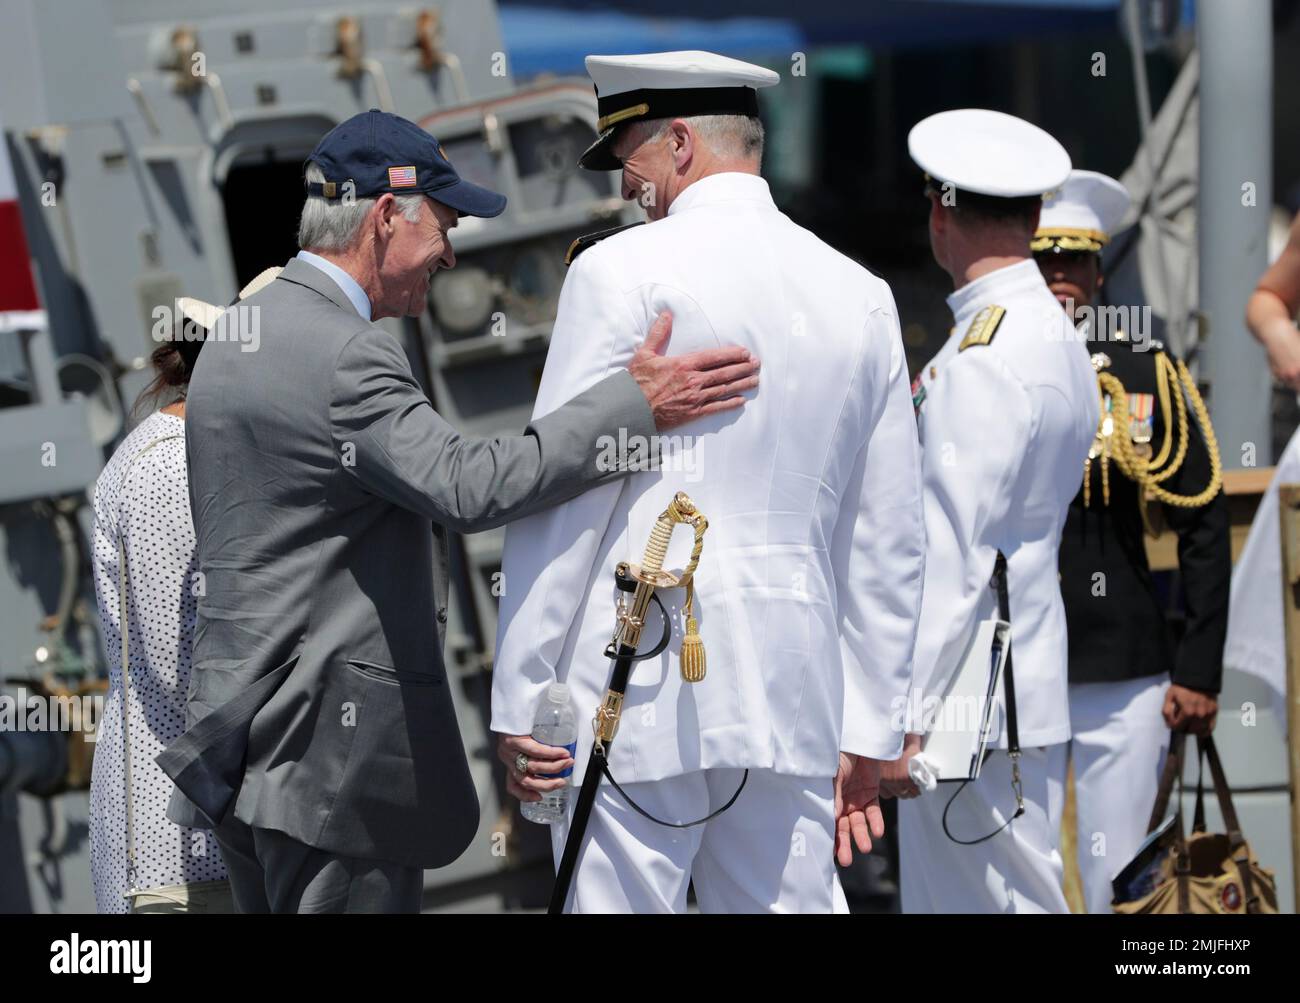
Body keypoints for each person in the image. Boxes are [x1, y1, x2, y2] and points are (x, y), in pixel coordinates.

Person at [155, 109, 760, 914]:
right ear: (382, 218)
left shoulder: (238, 335)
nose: (448, 250)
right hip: (331, 766)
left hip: (244, 747)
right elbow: (472, 485)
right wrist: (635, 403)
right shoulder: (348, 351)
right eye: (440, 224)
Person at [490, 50, 925, 914]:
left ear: (681, 143)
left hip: (636, 677)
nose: (627, 189)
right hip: (792, 693)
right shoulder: (862, 292)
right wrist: (872, 724)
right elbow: (887, 536)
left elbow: (566, 493)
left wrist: (523, 689)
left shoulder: (616, 272)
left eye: (633, 159)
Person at [884, 109, 1098, 914]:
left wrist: (903, 715)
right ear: (1038, 219)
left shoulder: (983, 357)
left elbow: (951, 554)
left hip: (969, 700)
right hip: (1019, 681)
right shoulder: (1054, 334)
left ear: (940, 215)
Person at [1034, 170, 1229, 914]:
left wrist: (1199, 669)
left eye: (1073, 261)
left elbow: (1204, 520)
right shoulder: (980, 361)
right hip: (1020, 664)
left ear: (1098, 269)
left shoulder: (1144, 368)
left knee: (1126, 878)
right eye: (1044, 259)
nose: (1060, 277)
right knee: (1027, 872)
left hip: (1126, 665)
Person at [87, 273, 273, 913]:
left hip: (198, 840)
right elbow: (182, 672)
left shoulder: (186, 455)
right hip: (181, 857)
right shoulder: (171, 466)